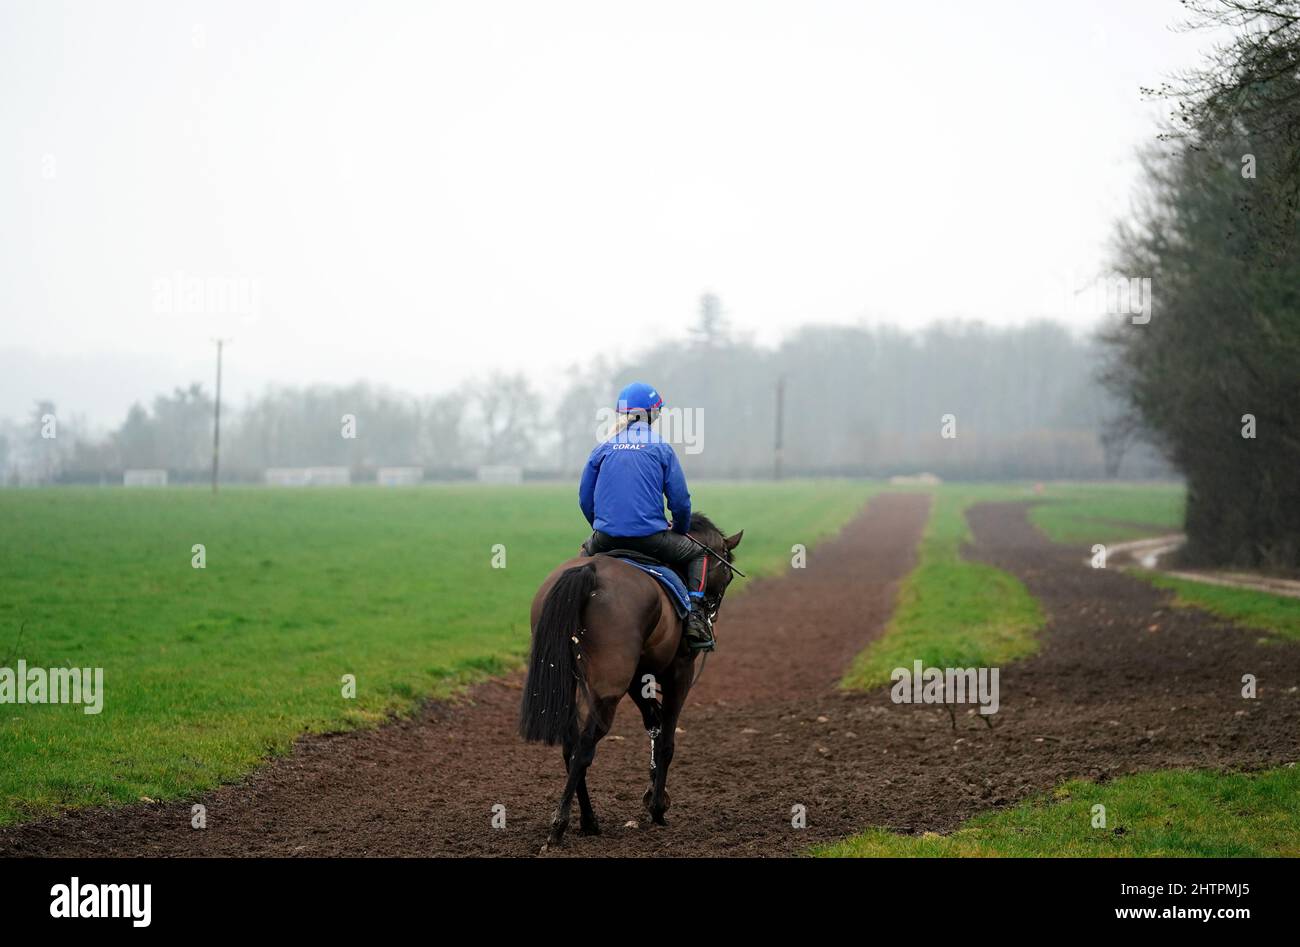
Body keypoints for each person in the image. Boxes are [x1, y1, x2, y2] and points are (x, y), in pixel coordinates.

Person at [579, 382, 714, 652]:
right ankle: (696, 616)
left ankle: (575, 618)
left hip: (605, 540)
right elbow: (680, 501)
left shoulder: (603, 447)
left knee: (582, 560)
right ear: (652, 414)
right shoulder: (661, 448)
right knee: (699, 553)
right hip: (649, 539)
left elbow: (585, 499)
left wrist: (603, 526)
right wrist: (680, 528)